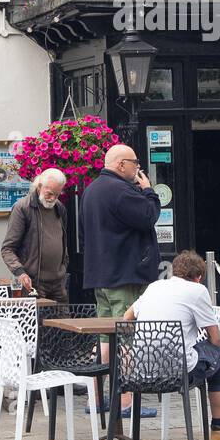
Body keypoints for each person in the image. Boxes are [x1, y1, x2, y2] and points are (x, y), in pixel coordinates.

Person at [126, 251, 220, 440]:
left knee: (216, 356)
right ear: (199, 277)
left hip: (142, 371)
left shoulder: (154, 287)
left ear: (173, 271)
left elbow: (127, 316)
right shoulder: (197, 291)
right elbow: (216, 339)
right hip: (179, 372)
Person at [81, 144, 162, 416]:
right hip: (123, 275)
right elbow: (148, 216)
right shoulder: (120, 191)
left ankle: (96, 399)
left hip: (101, 276)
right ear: (120, 164)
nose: (138, 168)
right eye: (135, 163)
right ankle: (126, 402)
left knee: (105, 335)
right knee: (126, 338)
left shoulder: (92, 190)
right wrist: (149, 191)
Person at [1, 167, 70, 303]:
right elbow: (7, 249)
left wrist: (64, 264)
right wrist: (20, 273)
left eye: (57, 195)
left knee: (62, 321)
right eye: (50, 193)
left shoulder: (59, 208)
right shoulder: (23, 208)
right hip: (33, 283)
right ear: (39, 186)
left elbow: (63, 239)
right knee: (37, 324)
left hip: (58, 282)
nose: (53, 199)